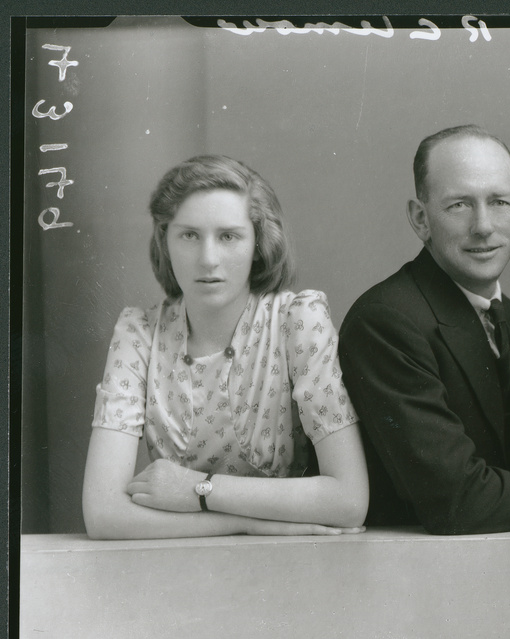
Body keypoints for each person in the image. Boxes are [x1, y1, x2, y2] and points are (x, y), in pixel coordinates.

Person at [83, 155, 369, 539]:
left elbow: (349, 500)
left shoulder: (297, 321)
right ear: (165, 242)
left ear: (258, 244)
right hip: (176, 562)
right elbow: (103, 514)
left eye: (229, 236)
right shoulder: (139, 334)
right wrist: (247, 523)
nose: (208, 259)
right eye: (189, 235)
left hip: (290, 563)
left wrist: (196, 491)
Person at [338, 125, 510, 534]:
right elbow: (457, 502)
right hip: (406, 574)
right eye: (459, 205)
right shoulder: (385, 321)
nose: (483, 226)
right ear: (419, 218)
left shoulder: (506, 312)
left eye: (498, 202)